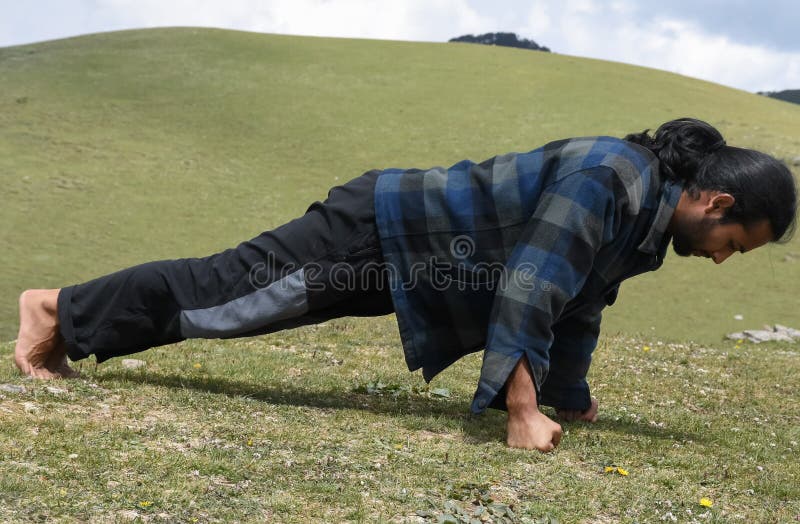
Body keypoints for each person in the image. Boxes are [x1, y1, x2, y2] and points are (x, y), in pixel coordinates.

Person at [14, 118, 797, 452]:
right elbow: (533, 284)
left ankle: (68, 320)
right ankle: (55, 308)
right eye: (734, 243)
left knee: (233, 305)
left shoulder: (646, 224)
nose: (723, 259)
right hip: (383, 229)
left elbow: (579, 305)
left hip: (416, 260)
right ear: (716, 202)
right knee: (227, 298)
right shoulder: (612, 179)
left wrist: (569, 395)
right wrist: (521, 413)